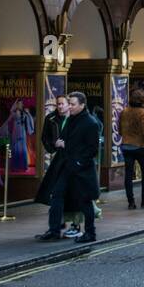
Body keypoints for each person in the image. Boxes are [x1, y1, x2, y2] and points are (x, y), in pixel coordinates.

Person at [35, 91, 100, 243]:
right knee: (57, 196)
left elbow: (92, 149)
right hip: (65, 166)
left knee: (85, 200)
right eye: (69, 103)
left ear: (82, 105)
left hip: (81, 169)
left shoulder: (91, 123)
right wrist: (60, 143)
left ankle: (90, 233)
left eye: (72, 104)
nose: (69, 107)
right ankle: (54, 230)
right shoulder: (71, 120)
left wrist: (78, 162)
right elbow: (63, 138)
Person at [119, 89, 144, 209]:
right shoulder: (143, 113)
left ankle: (131, 202)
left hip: (126, 146)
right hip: (139, 147)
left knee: (128, 174)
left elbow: (119, 130)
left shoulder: (124, 111)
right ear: (142, 100)